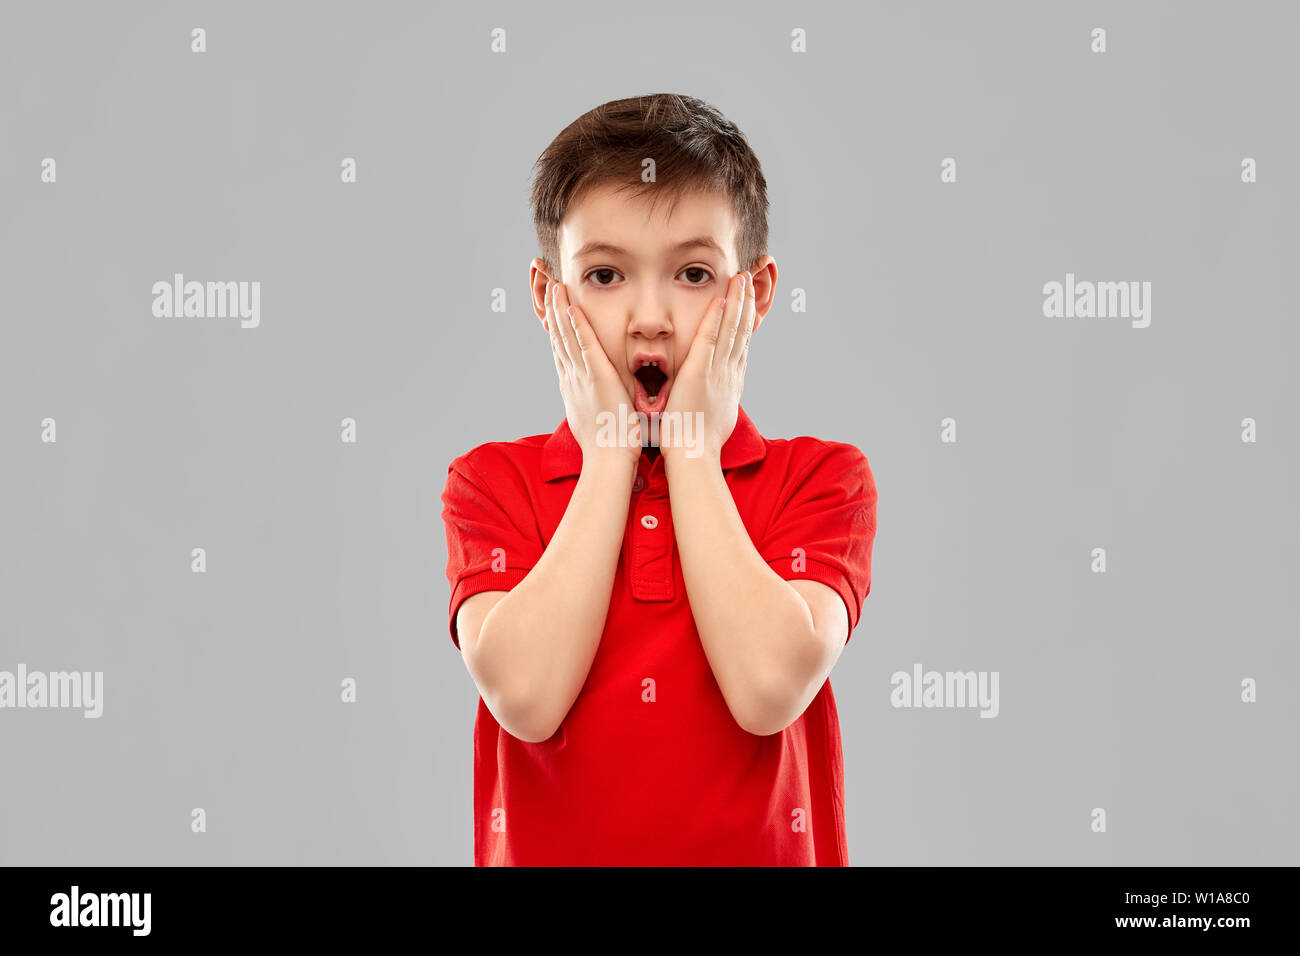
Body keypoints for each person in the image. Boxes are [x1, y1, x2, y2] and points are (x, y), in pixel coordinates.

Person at [441, 93, 878, 865]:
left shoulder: (822, 480)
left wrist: (694, 453)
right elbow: (528, 700)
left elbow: (769, 688)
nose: (651, 316)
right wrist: (610, 455)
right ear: (549, 298)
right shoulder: (491, 483)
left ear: (756, 293)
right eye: (605, 275)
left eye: (694, 273)